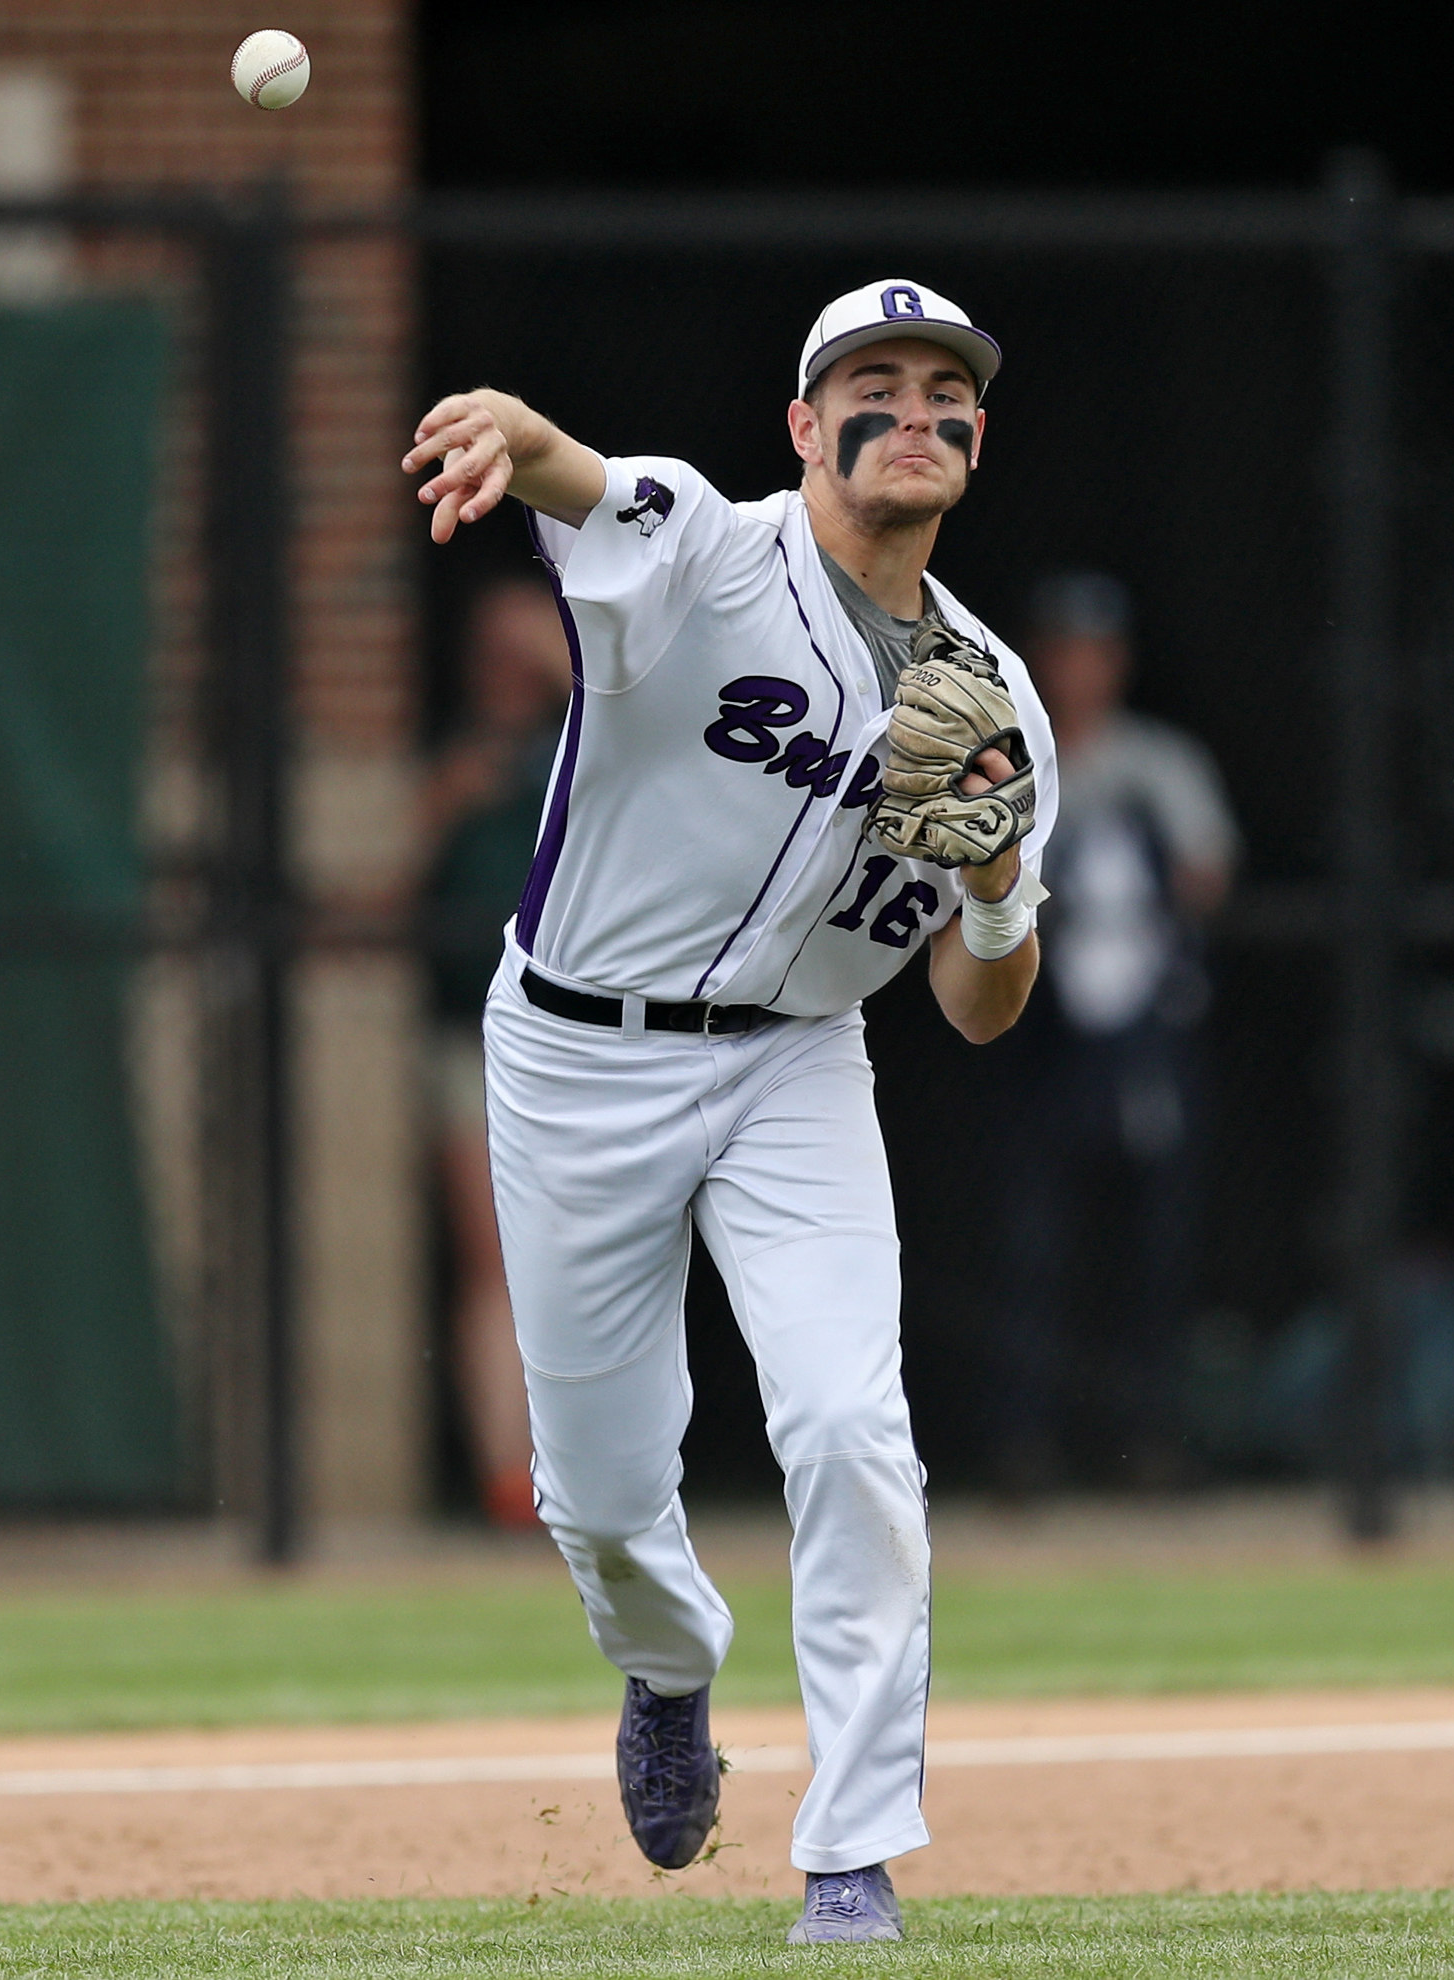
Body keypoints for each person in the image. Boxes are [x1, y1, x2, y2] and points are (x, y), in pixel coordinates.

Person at [400, 279, 1055, 1945]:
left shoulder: (998, 701)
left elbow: (983, 1010)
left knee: (850, 1428)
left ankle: (850, 1854)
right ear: (801, 425)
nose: (913, 410)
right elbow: (578, 475)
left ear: (979, 435)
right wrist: (500, 425)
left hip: (796, 1063)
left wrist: (990, 886)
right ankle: (667, 1665)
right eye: (872, 384)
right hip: (575, 1052)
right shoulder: (706, 547)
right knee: (600, 1496)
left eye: (944, 390)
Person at [991, 573, 1237, 1496]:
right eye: (1060, 648)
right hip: (1041, 1034)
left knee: (1156, 1251)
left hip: (1144, 1040)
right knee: (1033, 1249)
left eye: (1093, 650)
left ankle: (1151, 1443)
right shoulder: (1009, 756)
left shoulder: (1159, 765)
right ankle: (1026, 1446)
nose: (1077, 668)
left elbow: (1209, 871)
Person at [418, 579, 574, 1530]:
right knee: (494, 1258)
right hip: (468, 1037)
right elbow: (374, 889)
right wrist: (442, 801)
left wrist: (557, 650)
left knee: (589, 1255)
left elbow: (647, 705)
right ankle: (508, 1480)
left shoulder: (583, 743)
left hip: (582, 1041)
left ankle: (588, 1475)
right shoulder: (459, 757)